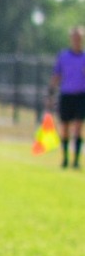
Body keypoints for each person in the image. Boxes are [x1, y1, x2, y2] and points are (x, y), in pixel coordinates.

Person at [51, 26, 85, 168]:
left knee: (78, 127)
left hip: (81, 95)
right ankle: (65, 158)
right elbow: (57, 75)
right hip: (66, 95)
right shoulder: (63, 56)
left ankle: (75, 161)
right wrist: (50, 91)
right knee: (64, 128)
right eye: (74, 38)